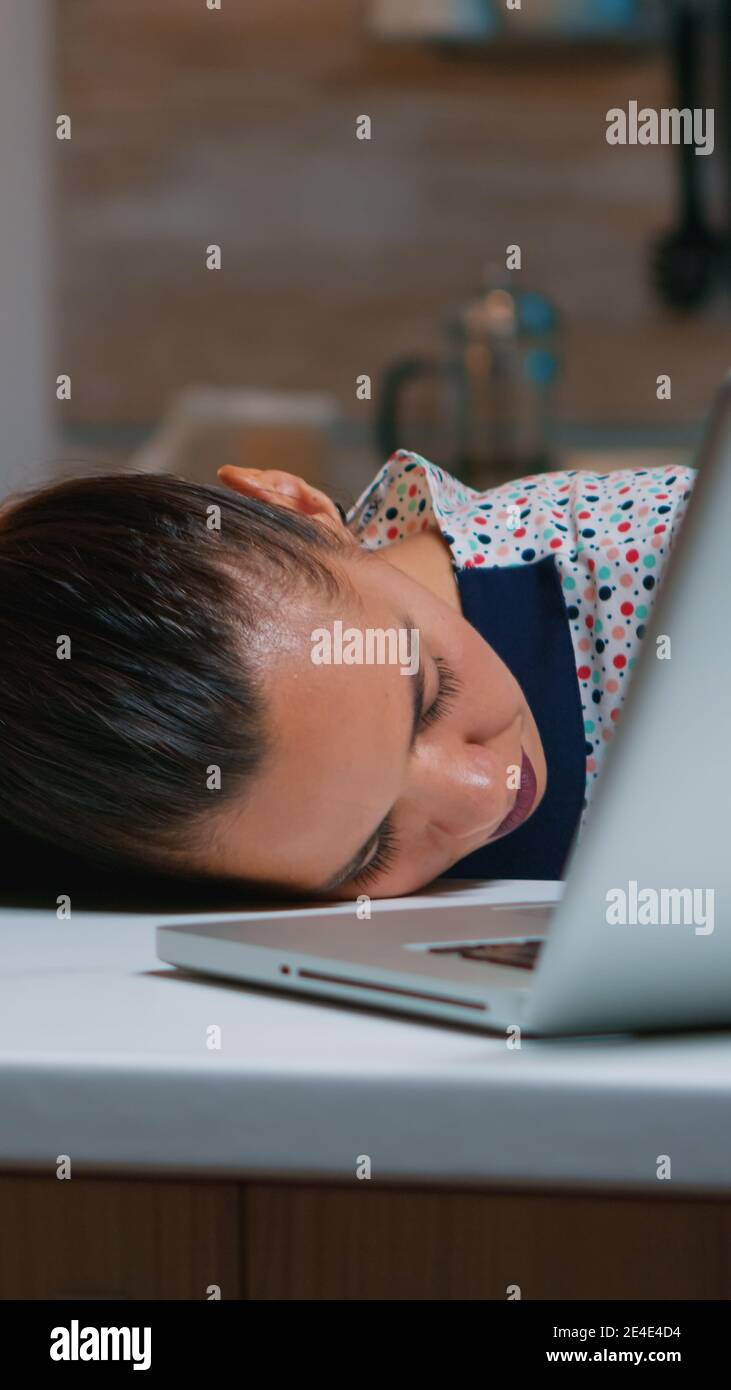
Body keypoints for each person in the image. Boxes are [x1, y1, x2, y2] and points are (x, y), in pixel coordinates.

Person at [0, 450, 694, 899]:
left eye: (430, 694)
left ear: (296, 509)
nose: (483, 796)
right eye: (371, 852)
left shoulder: (685, 563)